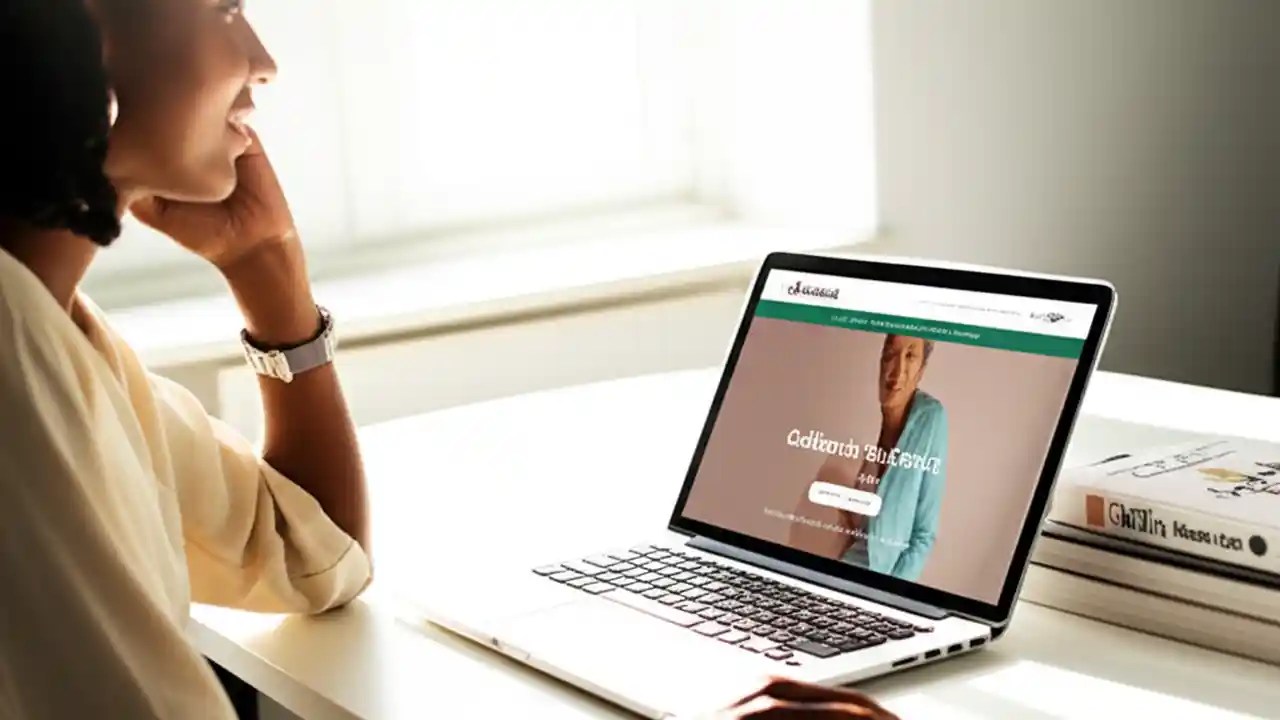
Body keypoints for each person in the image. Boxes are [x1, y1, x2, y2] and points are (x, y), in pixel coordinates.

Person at [0, 1, 899, 718]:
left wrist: (270, 276)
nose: (263, 58)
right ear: (84, 26)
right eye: (226, 9)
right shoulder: (12, 345)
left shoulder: (64, 331)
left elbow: (316, 559)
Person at [821, 335, 948, 581]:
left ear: (921, 370)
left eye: (910, 356)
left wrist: (887, 594)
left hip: (881, 582)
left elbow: (923, 535)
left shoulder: (930, 418)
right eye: (890, 354)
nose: (898, 370)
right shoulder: (861, 430)